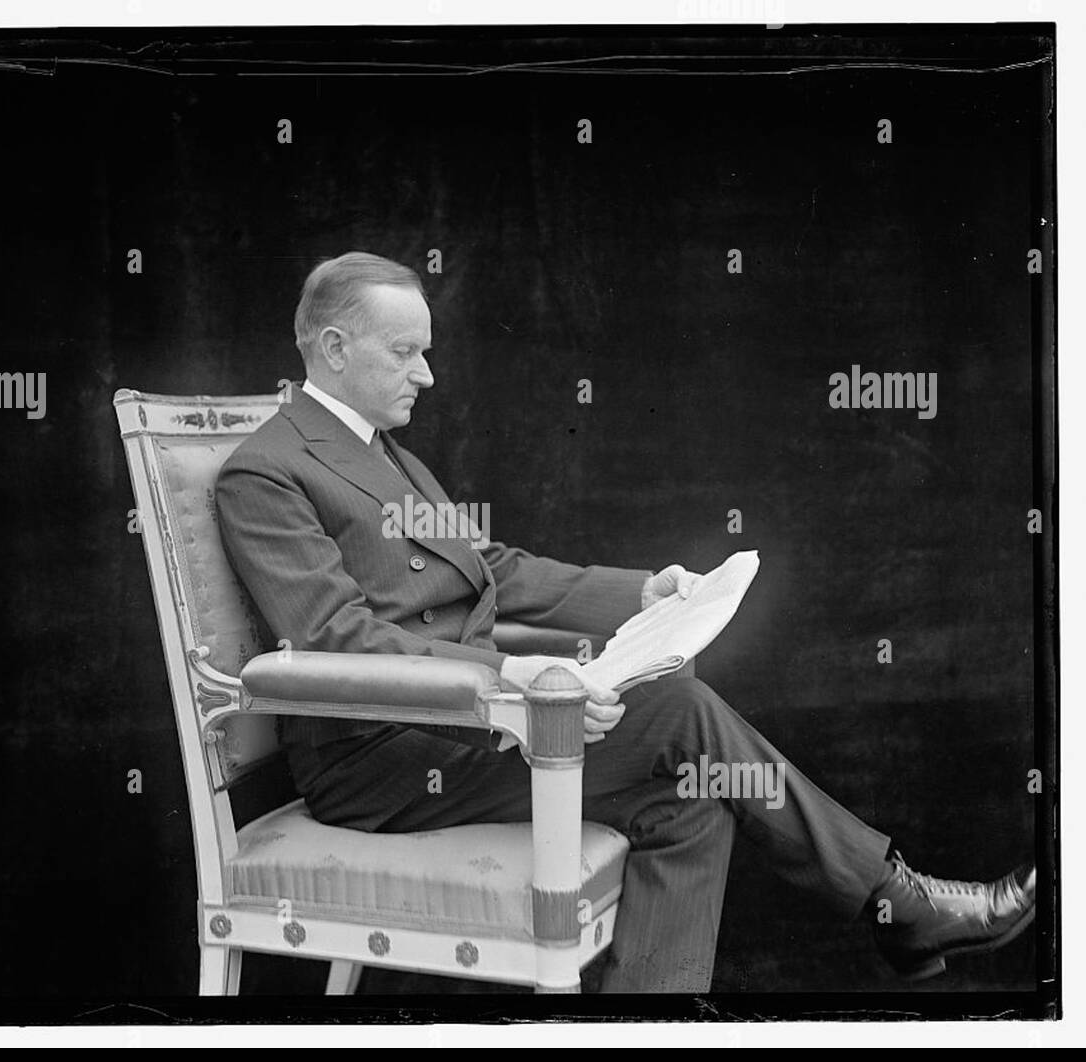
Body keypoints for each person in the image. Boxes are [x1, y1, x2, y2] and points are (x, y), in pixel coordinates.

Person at [214, 251, 1035, 992]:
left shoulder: (386, 451)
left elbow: (487, 565)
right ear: (331, 348)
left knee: (693, 800)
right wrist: (514, 680)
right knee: (676, 706)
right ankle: (897, 898)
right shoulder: (266, 470)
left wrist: (641, 594)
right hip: (383, 754)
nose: (427, 373)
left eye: (425, 350)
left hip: (467, 725)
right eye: (405, 352)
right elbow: (333, 636)